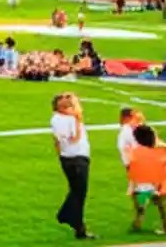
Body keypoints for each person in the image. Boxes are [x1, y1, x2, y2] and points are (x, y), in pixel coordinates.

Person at [50, 92, 95, 240]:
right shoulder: (69, 119)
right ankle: (65, 215)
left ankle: (79, 228)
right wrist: (77, 118)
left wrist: (61, 156)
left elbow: (56, 141)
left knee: (77, 192)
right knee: (79, 192)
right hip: (77, 158)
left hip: (68, 158)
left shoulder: (56, 119)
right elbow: (74, 138)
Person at [126, 124, 166, 236]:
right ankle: (165, 226)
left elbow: (132, 170)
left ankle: (137, 222)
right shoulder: (162, 151)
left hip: (141, 185)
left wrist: (131, 187)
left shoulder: (135, 152)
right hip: (158, 185)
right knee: (162, 208)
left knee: (140, 205)